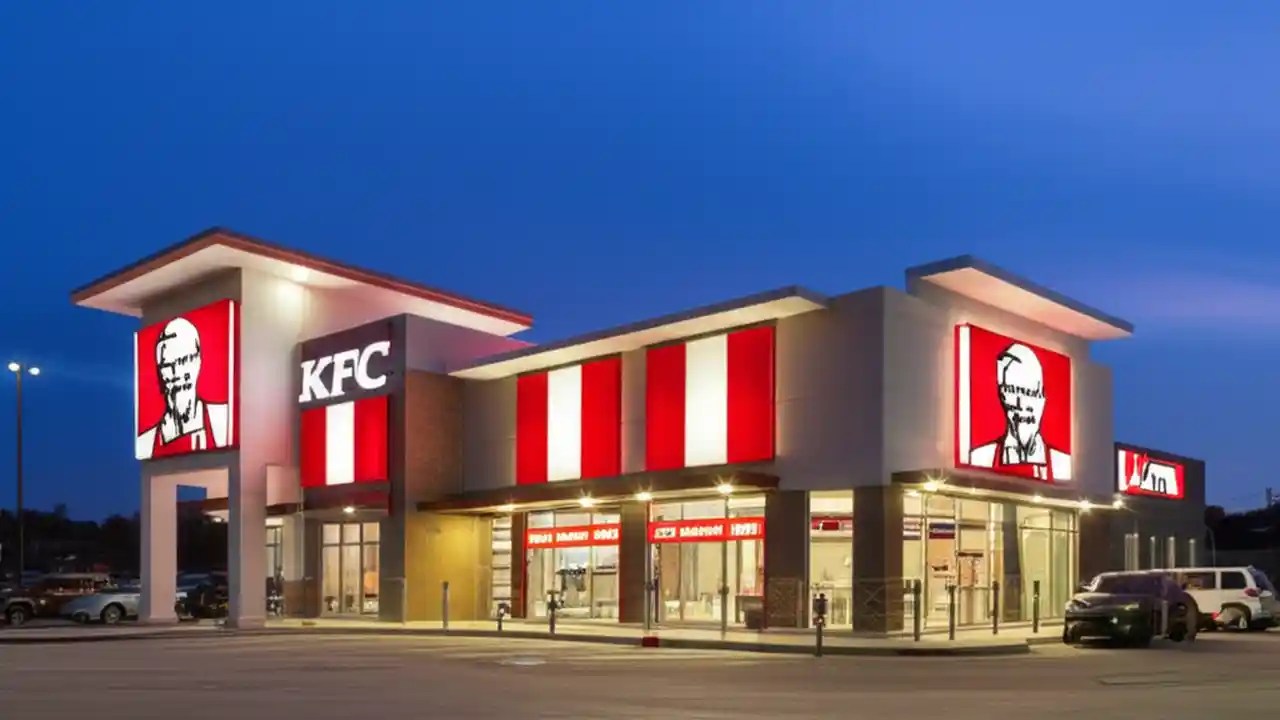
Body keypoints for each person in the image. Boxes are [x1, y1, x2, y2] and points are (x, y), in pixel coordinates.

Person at [968, 342, 1071, 481]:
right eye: (1013, 391)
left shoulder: (1063, 464)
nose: (1023, 405)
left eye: (1030, 392)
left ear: (1042, 398)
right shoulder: (981, 457)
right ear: (1002, 396)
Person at [135, 316, 230, 459]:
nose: (176, 373)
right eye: (167, 365)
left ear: (197, 361)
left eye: (183, 360)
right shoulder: (145, 444)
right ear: (159, 371)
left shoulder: (223, 420)